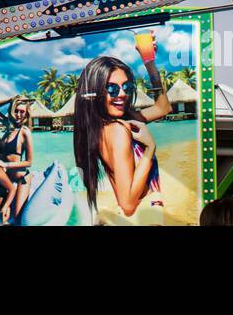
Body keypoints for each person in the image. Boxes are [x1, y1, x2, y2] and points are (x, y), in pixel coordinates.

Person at [72, 42, 172, 225]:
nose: (122, 94)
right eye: (112, 88)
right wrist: (149, 148)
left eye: (126, 87)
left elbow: (163, 107)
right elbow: (128, 204)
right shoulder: (118, 130)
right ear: (95, 92)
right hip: (141, 215)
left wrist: (149, 62)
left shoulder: (109, 126)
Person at [0, 96, 33, 224]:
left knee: (16, 218)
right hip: (7, 180)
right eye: (16, 110)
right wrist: (10, 99)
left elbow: (29, 162)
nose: (19, 114)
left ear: (26, 114)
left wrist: (5, 164)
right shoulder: (8, 126)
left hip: (21, 179)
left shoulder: (25, 132)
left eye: (22, 112)